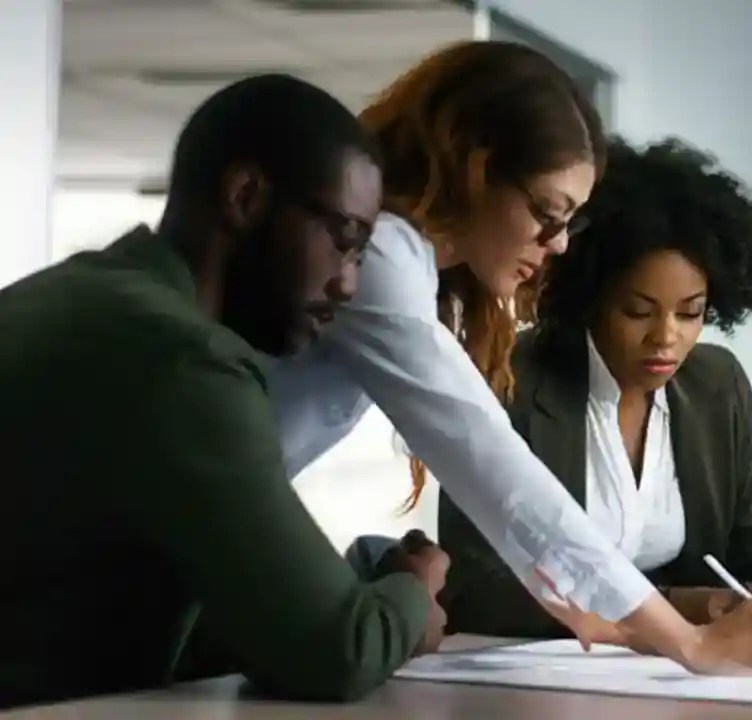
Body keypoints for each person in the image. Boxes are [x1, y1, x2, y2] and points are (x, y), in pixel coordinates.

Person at [266, 41, 752, 673]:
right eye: (547, 215)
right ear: (474, 169)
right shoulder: (381, 259)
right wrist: (686, 642)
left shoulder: (410, 268)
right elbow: (499, 475)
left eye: (569, 224)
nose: (556, 246)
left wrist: (633, 628)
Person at [0, 75, 450, 709]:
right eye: (344, 241)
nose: (348, 284)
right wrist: (411, 593)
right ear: (245, 197)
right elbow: (337, 652)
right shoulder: (185, 360)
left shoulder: (62, 300)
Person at [438, 137, 752, 640]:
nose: (666, 337)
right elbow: (474, 588)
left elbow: (741, 557)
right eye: (638, 312)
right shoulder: (510, 379)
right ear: (589, 296)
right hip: (532, 672)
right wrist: (669, 608)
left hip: (670, 678)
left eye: (691, 313)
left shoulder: (717, 386)